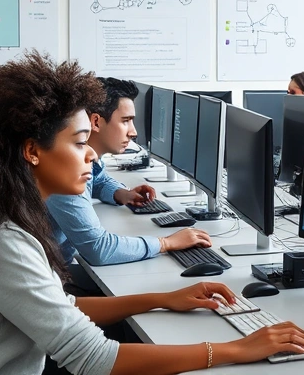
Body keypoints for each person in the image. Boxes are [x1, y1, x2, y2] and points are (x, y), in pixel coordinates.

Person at [0, 52, 304, 375]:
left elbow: (60, 307)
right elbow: (94, 360)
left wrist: (162, 299)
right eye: (80, 141)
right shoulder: (0, 241)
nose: (90, 154)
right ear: (32, 151)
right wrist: (235, 349)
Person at [45, 77, 210, 294]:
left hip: (57, 271)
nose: (133, 132)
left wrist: (121, 193)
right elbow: (98, 249)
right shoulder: (65, 171)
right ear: (95, 122)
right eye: (126, 120)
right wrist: (165, 243)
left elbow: (99, 178)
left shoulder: (85, 159)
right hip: (52, 280)